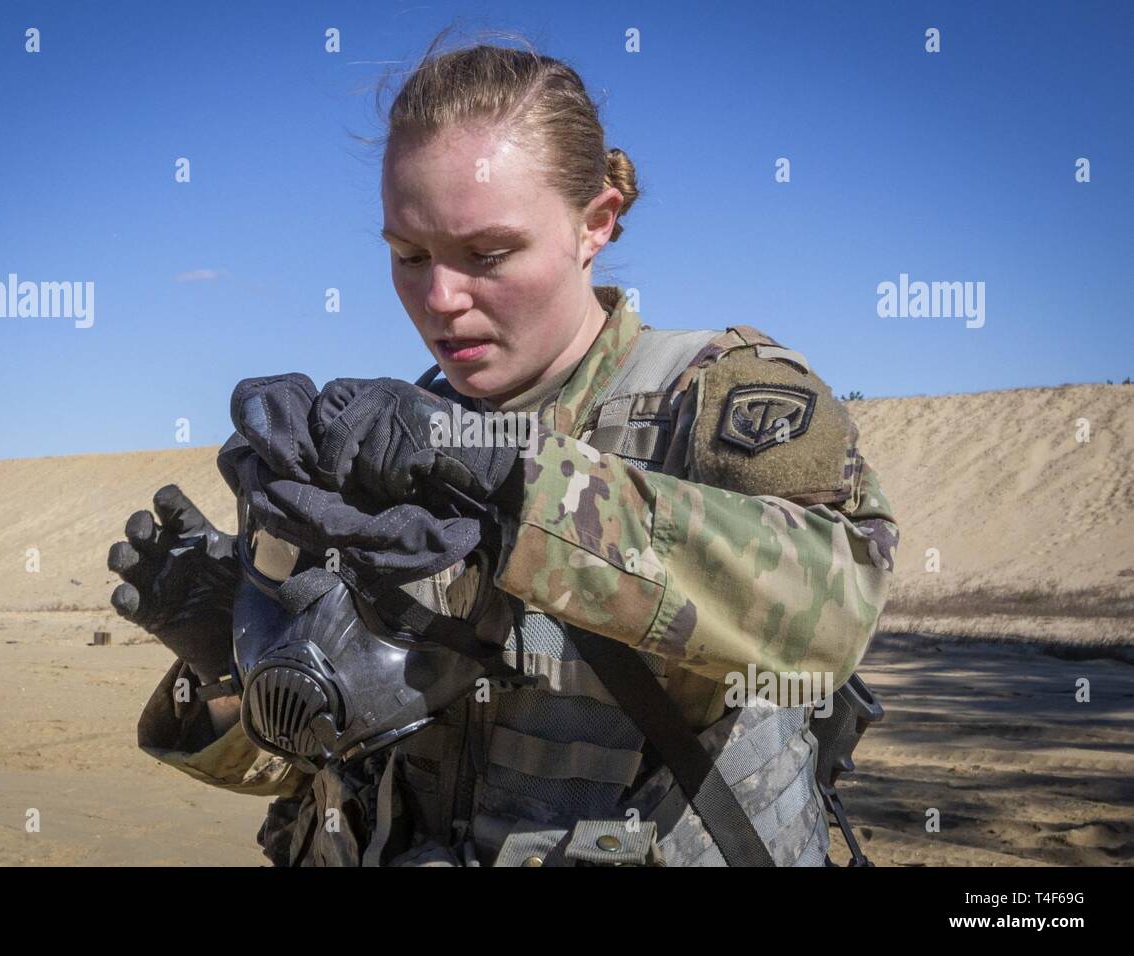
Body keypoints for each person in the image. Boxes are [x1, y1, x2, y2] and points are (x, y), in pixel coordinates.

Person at [109, 33, 899, 867]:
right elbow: (330, 766)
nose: (441, 299)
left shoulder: (707, 398)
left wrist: (511, 487)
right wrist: (242, 659)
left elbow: (834, 616)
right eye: (408, 256)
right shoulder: (381, 445)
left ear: (596, 223)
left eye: (487, 255)